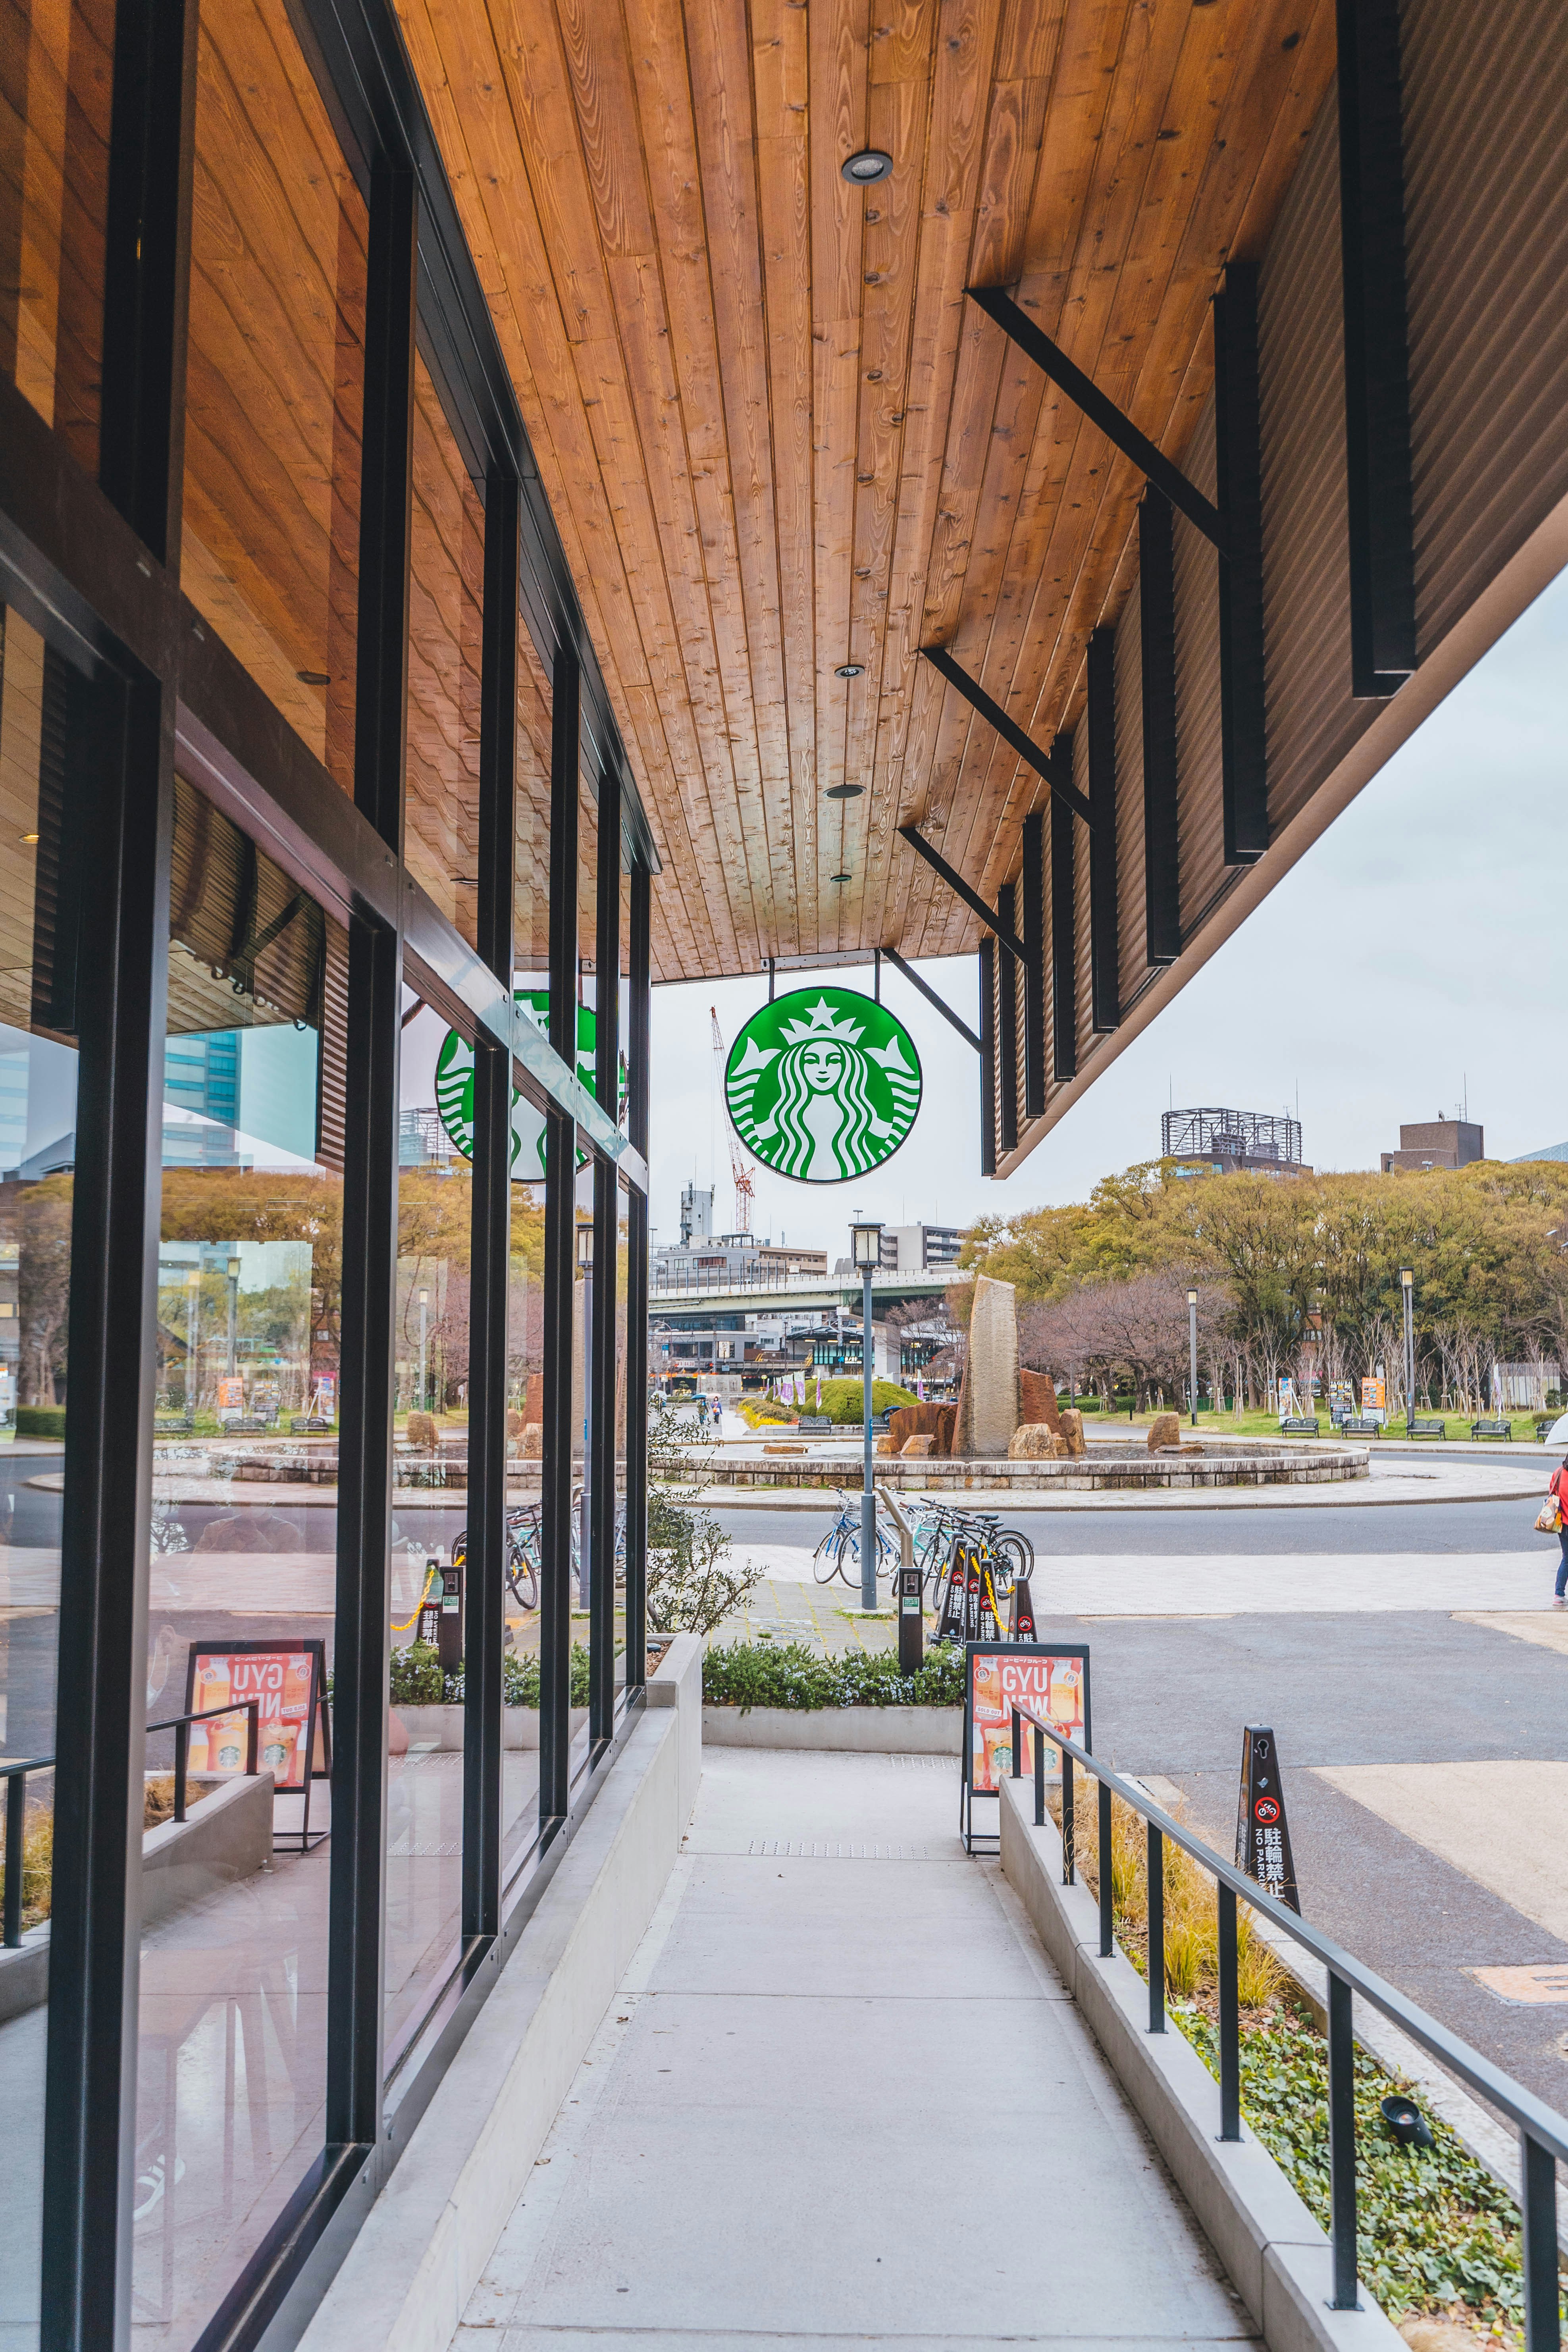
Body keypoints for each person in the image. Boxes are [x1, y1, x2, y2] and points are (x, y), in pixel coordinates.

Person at [1548, 1454, 1568, 1607]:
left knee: (1566, 1557)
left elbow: (1552, 1493)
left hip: (1562, 1523)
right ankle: (1559, 1592)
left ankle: (1558, 1594)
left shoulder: (1559, 1472)